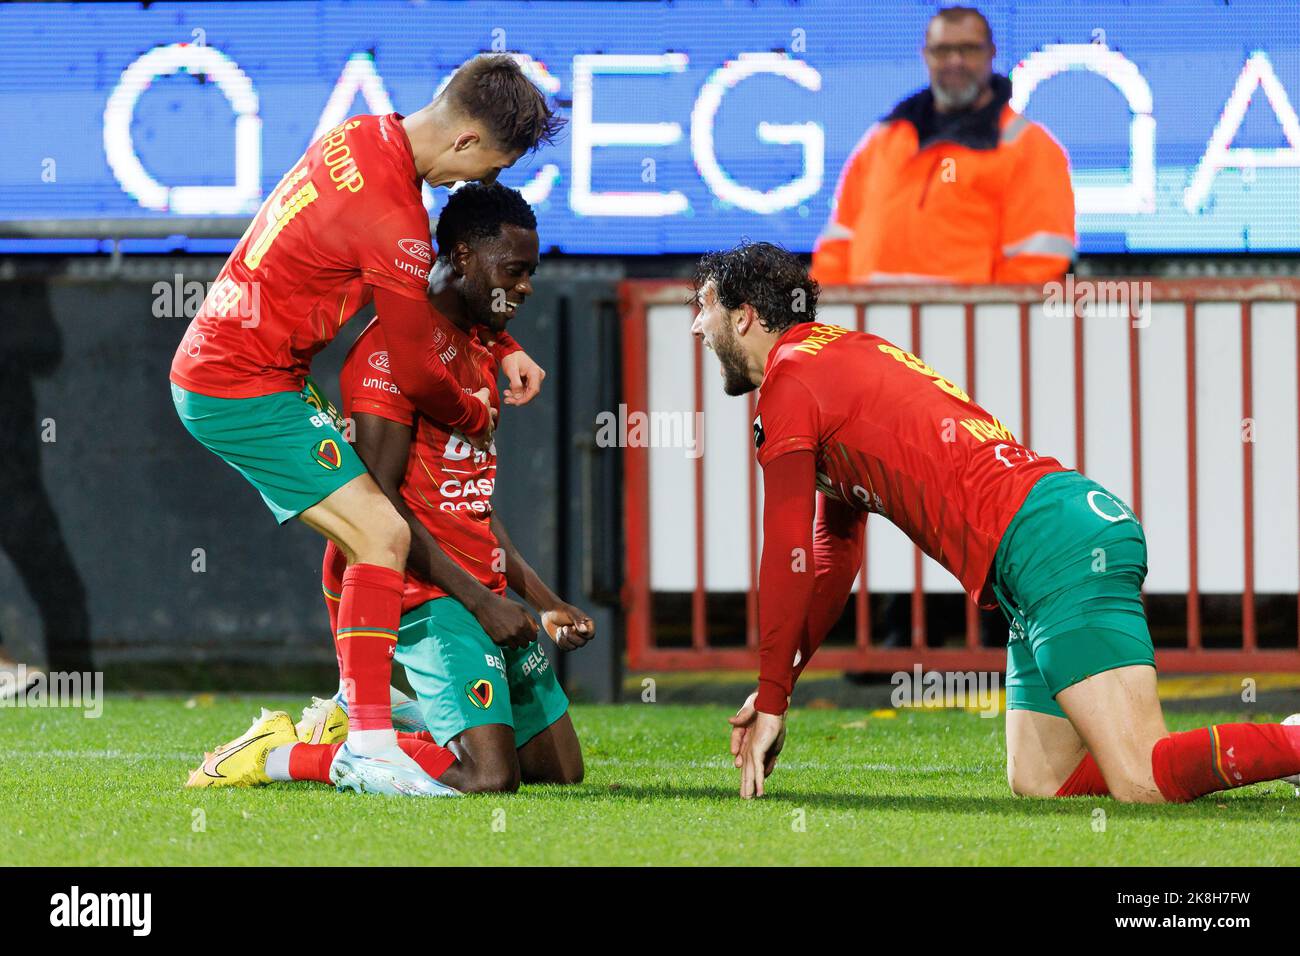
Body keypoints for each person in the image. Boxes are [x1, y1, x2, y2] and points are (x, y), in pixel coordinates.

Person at [691, 241, 1300, 804]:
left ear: (744, 316)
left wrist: (771, 697)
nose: (697, 325)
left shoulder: (788, 384)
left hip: (1050, 547)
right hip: (1043, 543)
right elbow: (829, 552)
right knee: (1040, 780)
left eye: (706, 307)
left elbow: (788, 552)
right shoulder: (834, 355)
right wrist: (781, 686)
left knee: (1142, 778)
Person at [171, 55, 560, 793]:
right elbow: (416, 370)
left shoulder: (363, 136)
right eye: (486, 171)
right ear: (470, 139)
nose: (471, 186)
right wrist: (477, 412)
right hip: (239, 385)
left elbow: (417, 297)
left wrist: (502, 342)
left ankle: (354, 712)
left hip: (254, 371)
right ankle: (363, 743)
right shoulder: (399, 217)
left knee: (365, 522)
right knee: (381, 531)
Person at [811, 5, 1074, 286]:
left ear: (991, 53)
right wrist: (823, 320)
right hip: (867, 324)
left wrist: (985, 322)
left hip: (970, 327)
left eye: (969, 49)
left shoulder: (1029, 147)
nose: (955, 61)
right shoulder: (883, 141)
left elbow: (1037, 265)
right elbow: (837, 248)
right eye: (942, 50)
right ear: (925, 55)